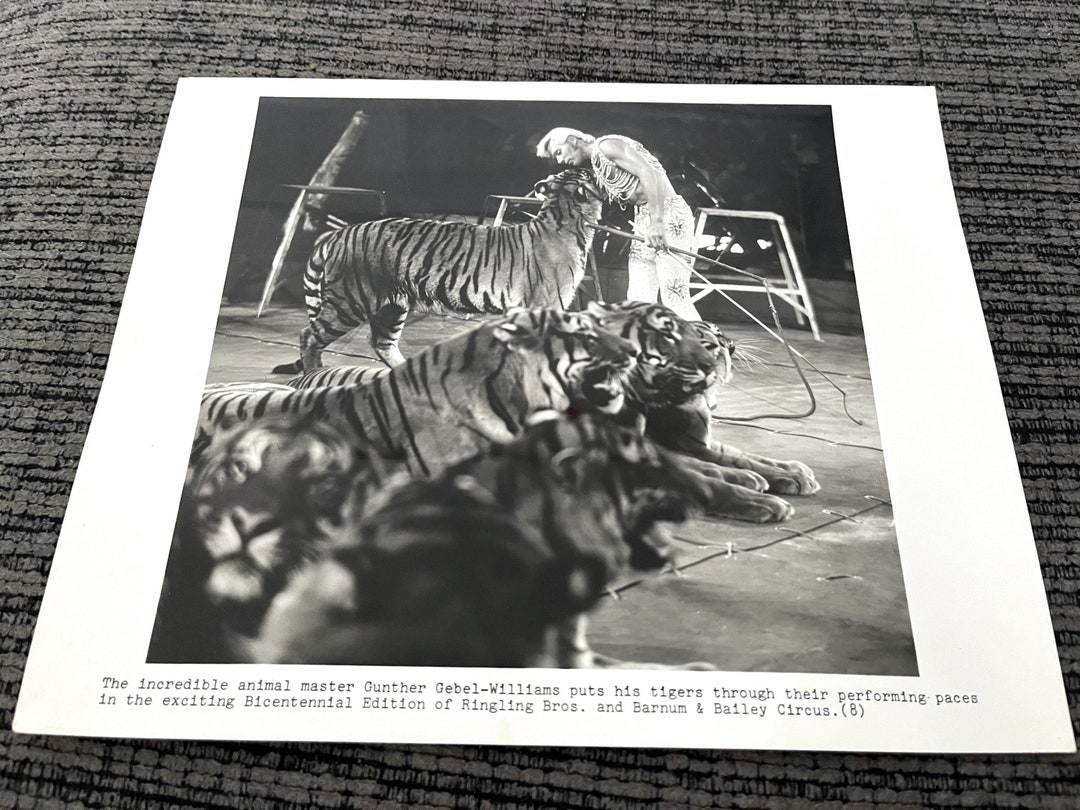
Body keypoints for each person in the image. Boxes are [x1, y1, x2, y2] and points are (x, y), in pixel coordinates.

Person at [536, 127, 701, 320]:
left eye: (558, 152)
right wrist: (556, 189)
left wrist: (657, 222)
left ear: (573, 140)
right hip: (645, 218)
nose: (559, 160)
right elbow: (595, 193)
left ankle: (709, 348)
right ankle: (641, 348)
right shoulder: (598, 163)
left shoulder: (607, 145)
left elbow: (650, 174)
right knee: (639, 298)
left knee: (674, 297)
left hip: (667, 215)